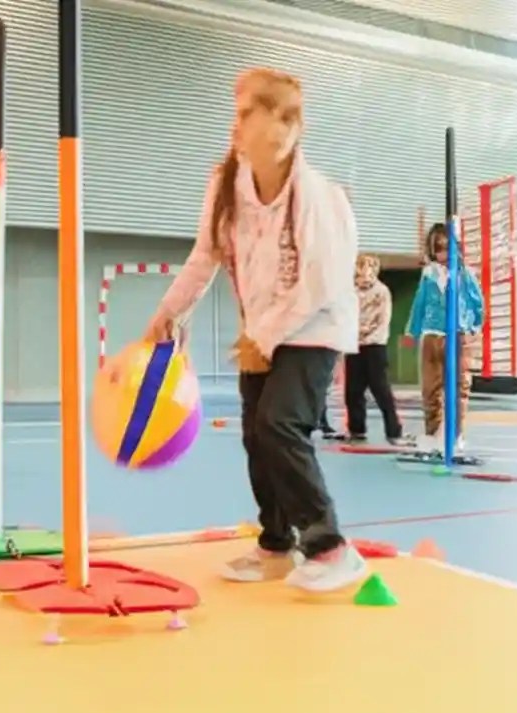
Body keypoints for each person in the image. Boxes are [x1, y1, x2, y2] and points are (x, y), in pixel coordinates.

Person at [143, 67, 366, 593]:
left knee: (280, 425)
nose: (234, 124)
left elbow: (322, 283)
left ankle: (330, 545)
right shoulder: (226, 186)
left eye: (247, 113)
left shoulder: (317, 196)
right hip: (262, 329)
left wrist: (263, 336)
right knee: (254, 434)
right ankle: (276, 543)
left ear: (285, 127)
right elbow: (206, 256)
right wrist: (169, 311)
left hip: (316, 327)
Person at [402, 223, 484, 453]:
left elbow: (477, 301)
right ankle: (432, 434)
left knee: (458, 388)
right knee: (430, 389)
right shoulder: (428, 275)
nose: (443, 254)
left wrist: (475, 325)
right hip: (431, 335)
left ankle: (456, 435)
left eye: (448, 248)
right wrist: (413, 331)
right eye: (438, 249)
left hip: (457, 334)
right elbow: (420, 303)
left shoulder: (465, 274)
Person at [344, 254, 411, 445]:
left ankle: (393, 431)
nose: (363, 273)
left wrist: (367, 334)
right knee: (353, 391)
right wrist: (352, 336)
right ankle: (357, 429)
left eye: (367, 268)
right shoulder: (351, 291)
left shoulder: (382, 291)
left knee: (381, 389)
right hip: (354, 345)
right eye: (360, 268)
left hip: (375, 345)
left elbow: (383, 320)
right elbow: (347, 315)